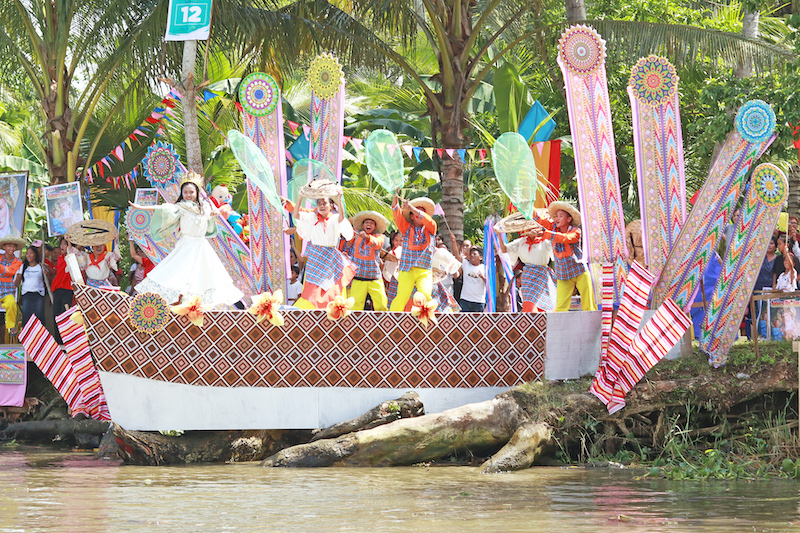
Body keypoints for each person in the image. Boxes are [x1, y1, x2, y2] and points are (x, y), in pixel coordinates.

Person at [129, 173, 244, 307]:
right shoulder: (180, 207)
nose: (188, 194)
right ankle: (180, 304)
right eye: (185, 192)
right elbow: (163, 208)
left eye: (191, 192)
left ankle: (197, 306)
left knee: (204, 275)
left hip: (201, 246)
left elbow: (214, 216)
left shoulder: (205, 207)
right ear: (182, 193)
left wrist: (214, 214)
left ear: (197, 192)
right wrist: (141, 207)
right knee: (179, 273)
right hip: (186, 245)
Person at [288, 180, 355, 310]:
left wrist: (339, 199)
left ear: (331, 205)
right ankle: (308, 312)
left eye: (325, 203)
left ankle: (334, 311)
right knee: (312, 289)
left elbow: (342, 218)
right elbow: (296, 215)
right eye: (319, 203)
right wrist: (301, 196)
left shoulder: (335, 218)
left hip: (330, 256)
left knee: (332, 288)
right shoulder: (312, 217)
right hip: (316, 256)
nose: (322, 205)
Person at [533, 201, 595, 312]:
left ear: (569, 219)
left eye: (561, 216)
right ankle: (557, 329)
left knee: (588, 305)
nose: (557, 218)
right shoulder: (553, 229)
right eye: (556, 216)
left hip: (580, 271)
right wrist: (528, 207)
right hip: (563, 274)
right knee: (560, 307)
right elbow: (540, 220)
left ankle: (594, 328)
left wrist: (546, 234)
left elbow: (566, 238)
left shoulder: (576, 231)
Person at [389, 194, 437, 312]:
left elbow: (428, 220)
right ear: (411, 216)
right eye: (416, 213)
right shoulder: (406, 228)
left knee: (426, 295)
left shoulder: (431, 227)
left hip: (424, 269)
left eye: (422, 212)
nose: (419, 215)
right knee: (402, 297)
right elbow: (395, 209)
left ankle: (425, 321)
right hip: (407, 269)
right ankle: (391, 322)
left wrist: (411, 208)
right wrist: (395, 194)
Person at [496, 226, 556, 312]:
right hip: (528, 275)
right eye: (530, 228)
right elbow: (505, 249)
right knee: (529, 302)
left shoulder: (546, 241)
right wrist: (499, 235)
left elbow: (557, 250)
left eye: (535, 227)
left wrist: (546, 234)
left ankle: (543, 323)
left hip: (542, 275)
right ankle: (530, 322)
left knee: (544, 302)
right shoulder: (521, 242)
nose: (533, 230)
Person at [345, 211, 389, 311]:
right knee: (355, 307)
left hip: (374, 278)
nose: (369, 224)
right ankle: (355, 326)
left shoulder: (380, 237)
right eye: (366, 222)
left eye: (371, 223)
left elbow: (377, 243)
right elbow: (347, 244)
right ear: (363, 225)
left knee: (382, 305)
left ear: (375, 226)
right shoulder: (356, 235)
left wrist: (367, 237)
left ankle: (382, 325)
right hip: (358, 277)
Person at [15, 244, 46, 331]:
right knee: (27, 316)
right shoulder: (23, 266)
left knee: (39, 316)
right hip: (26, 294)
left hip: (38, 294)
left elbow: (47, 278)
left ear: (35, 254)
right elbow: (17, 282)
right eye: (27, 253)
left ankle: (40, 337)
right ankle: (27, 338)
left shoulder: (40, 266)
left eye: (31, 253)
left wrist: (46, 271)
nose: (28, 255)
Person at [0, 236, 24, 335]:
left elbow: (9, 271)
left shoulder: (18, 261)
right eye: (9, 246)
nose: (12, 249)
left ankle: (11, 326)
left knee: (11, 304)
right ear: (4, 247)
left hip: (7, 290)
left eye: (14, 247)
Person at [454, 245, 486, 312]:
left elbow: (490, 284)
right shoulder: (466, 264)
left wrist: (483, 277)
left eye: (474, 254)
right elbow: (456, 255)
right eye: (471, 254)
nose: (472, 255)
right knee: (463, 321)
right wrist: (453, 241)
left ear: (480, 257)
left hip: (479, 301)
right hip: (465, 300)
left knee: (477, 321)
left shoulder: (485, 268)